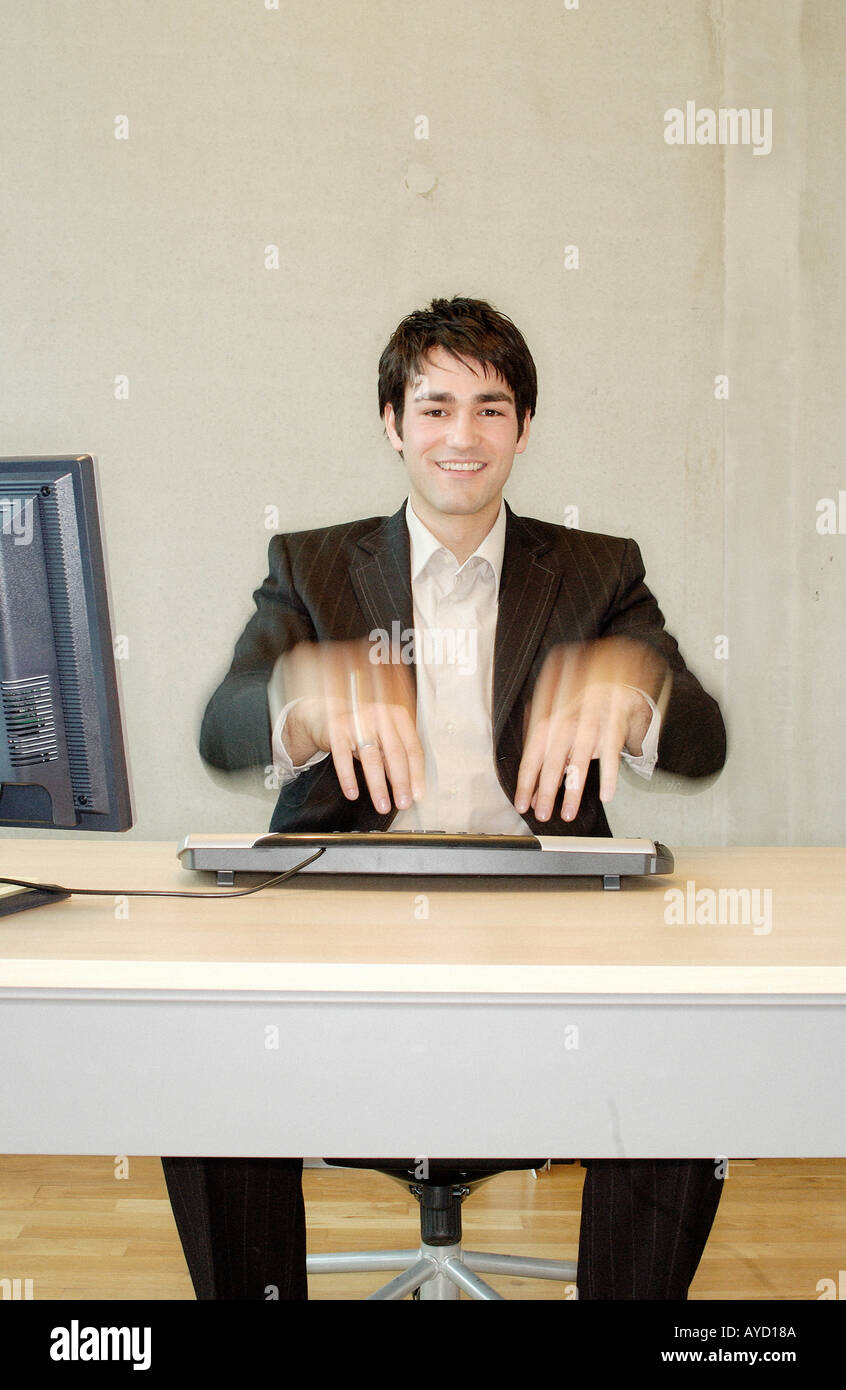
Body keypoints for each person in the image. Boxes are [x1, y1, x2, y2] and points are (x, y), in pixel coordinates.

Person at [162, 296, 727, 1300]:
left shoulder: (599, 571)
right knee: (204, 1067)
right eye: (433, 407)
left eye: (491, 408)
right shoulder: (312, 564)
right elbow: (222, 724)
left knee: (679, 1068)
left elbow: (702, 739)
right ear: (393, 422)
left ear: (522, 429)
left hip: (546, 955)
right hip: (343, 946)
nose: (461, 435)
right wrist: (299, 695)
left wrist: (638, 692)